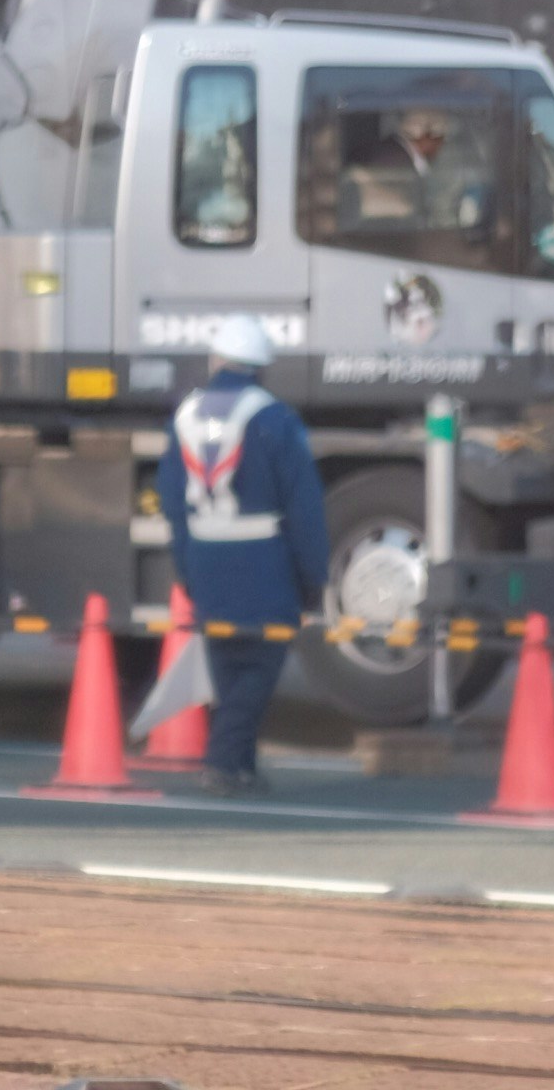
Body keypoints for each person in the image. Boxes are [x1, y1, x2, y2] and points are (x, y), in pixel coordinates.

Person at [159, 316, 331, 793]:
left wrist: (186, 567)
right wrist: (314, 575)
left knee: (227, 661)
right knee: (260, 662)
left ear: (217, 360)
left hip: (205, 552)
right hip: (262, 559)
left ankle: (240, 764)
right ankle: (223, 761)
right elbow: (304, 506)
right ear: (261, 366)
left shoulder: (185, 415)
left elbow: (172, 501)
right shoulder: (275, 419)